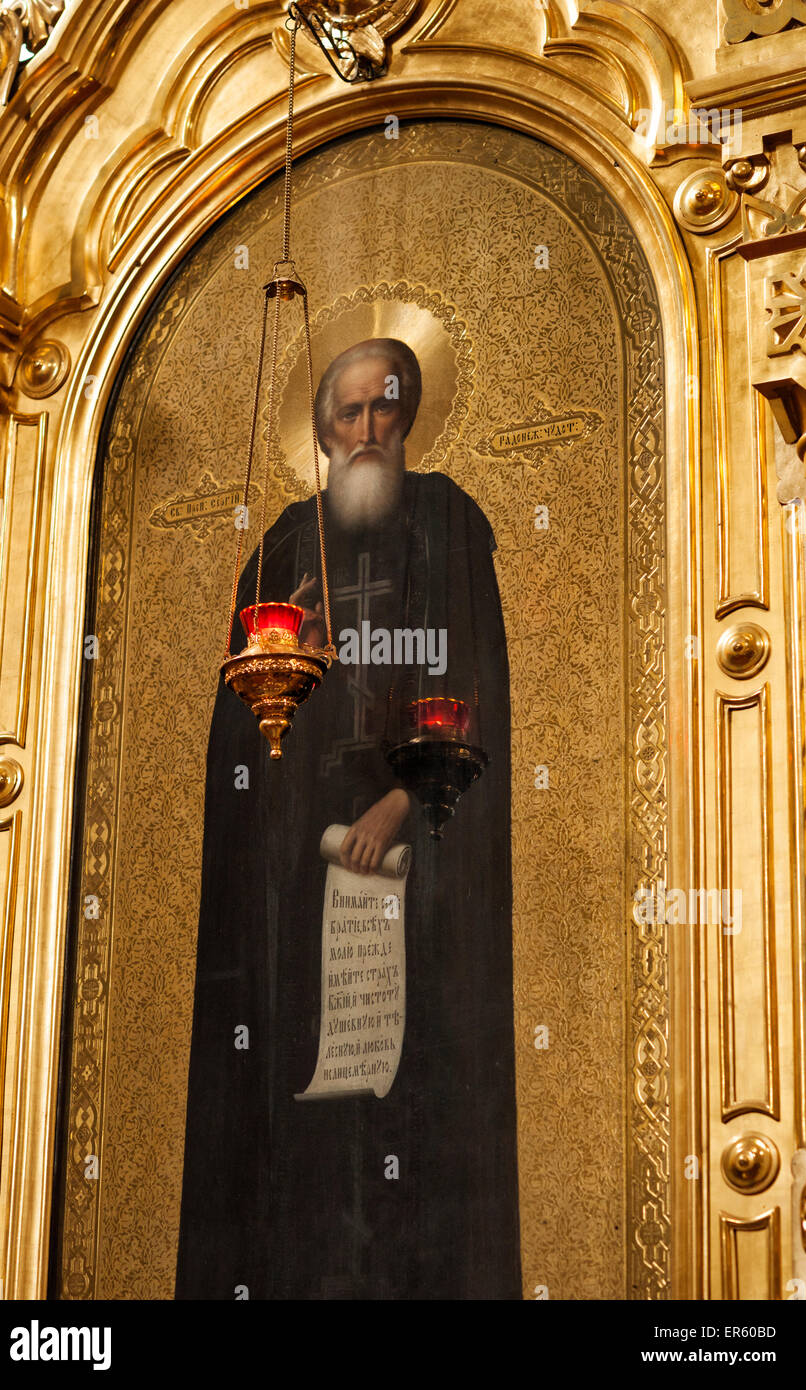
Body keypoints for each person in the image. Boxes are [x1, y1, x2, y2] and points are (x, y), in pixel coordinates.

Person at [176, 337, 521, 1299]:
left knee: (407, 1100)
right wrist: (299, 683)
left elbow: (472, 686)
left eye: (386, 408)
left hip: (420, 861)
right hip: (298, 858)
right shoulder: (282, 549)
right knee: (299, 1092)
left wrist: (403, 800)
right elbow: (241, 727)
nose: (368, 430)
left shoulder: (446, 521)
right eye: (349, 413)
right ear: (321, 431)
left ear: (408, 417)